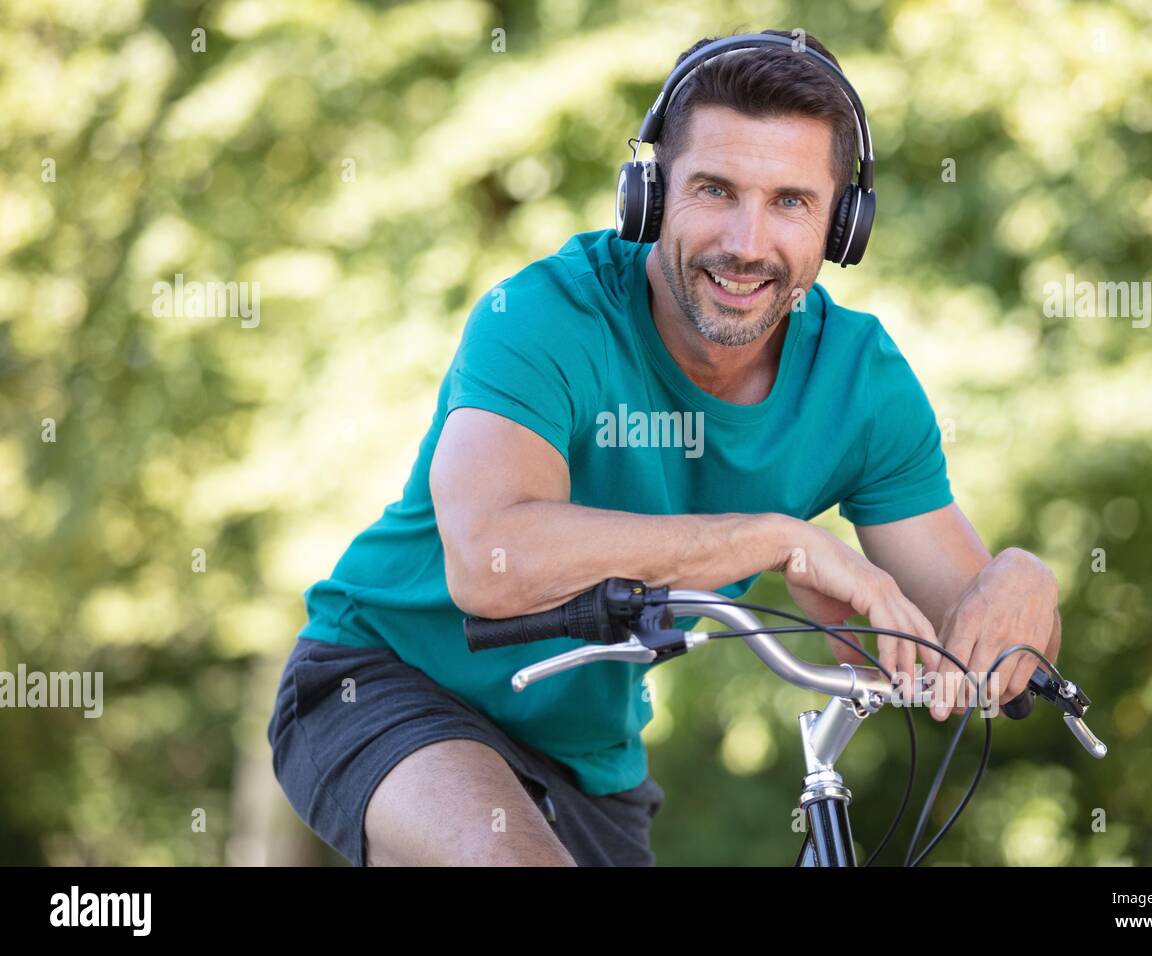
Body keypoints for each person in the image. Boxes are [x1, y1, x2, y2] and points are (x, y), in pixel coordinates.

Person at [267, 28, 1062, 867]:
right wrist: (775, 539)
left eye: (790, 201)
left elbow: (966, 644)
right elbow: (489, 558)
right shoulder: (543, 318)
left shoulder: (862, 383)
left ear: (842, 226)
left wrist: (1021, 582)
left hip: (588, 758)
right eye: (715, 190)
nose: (747, 243)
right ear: (649, 196)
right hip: (384, 680)